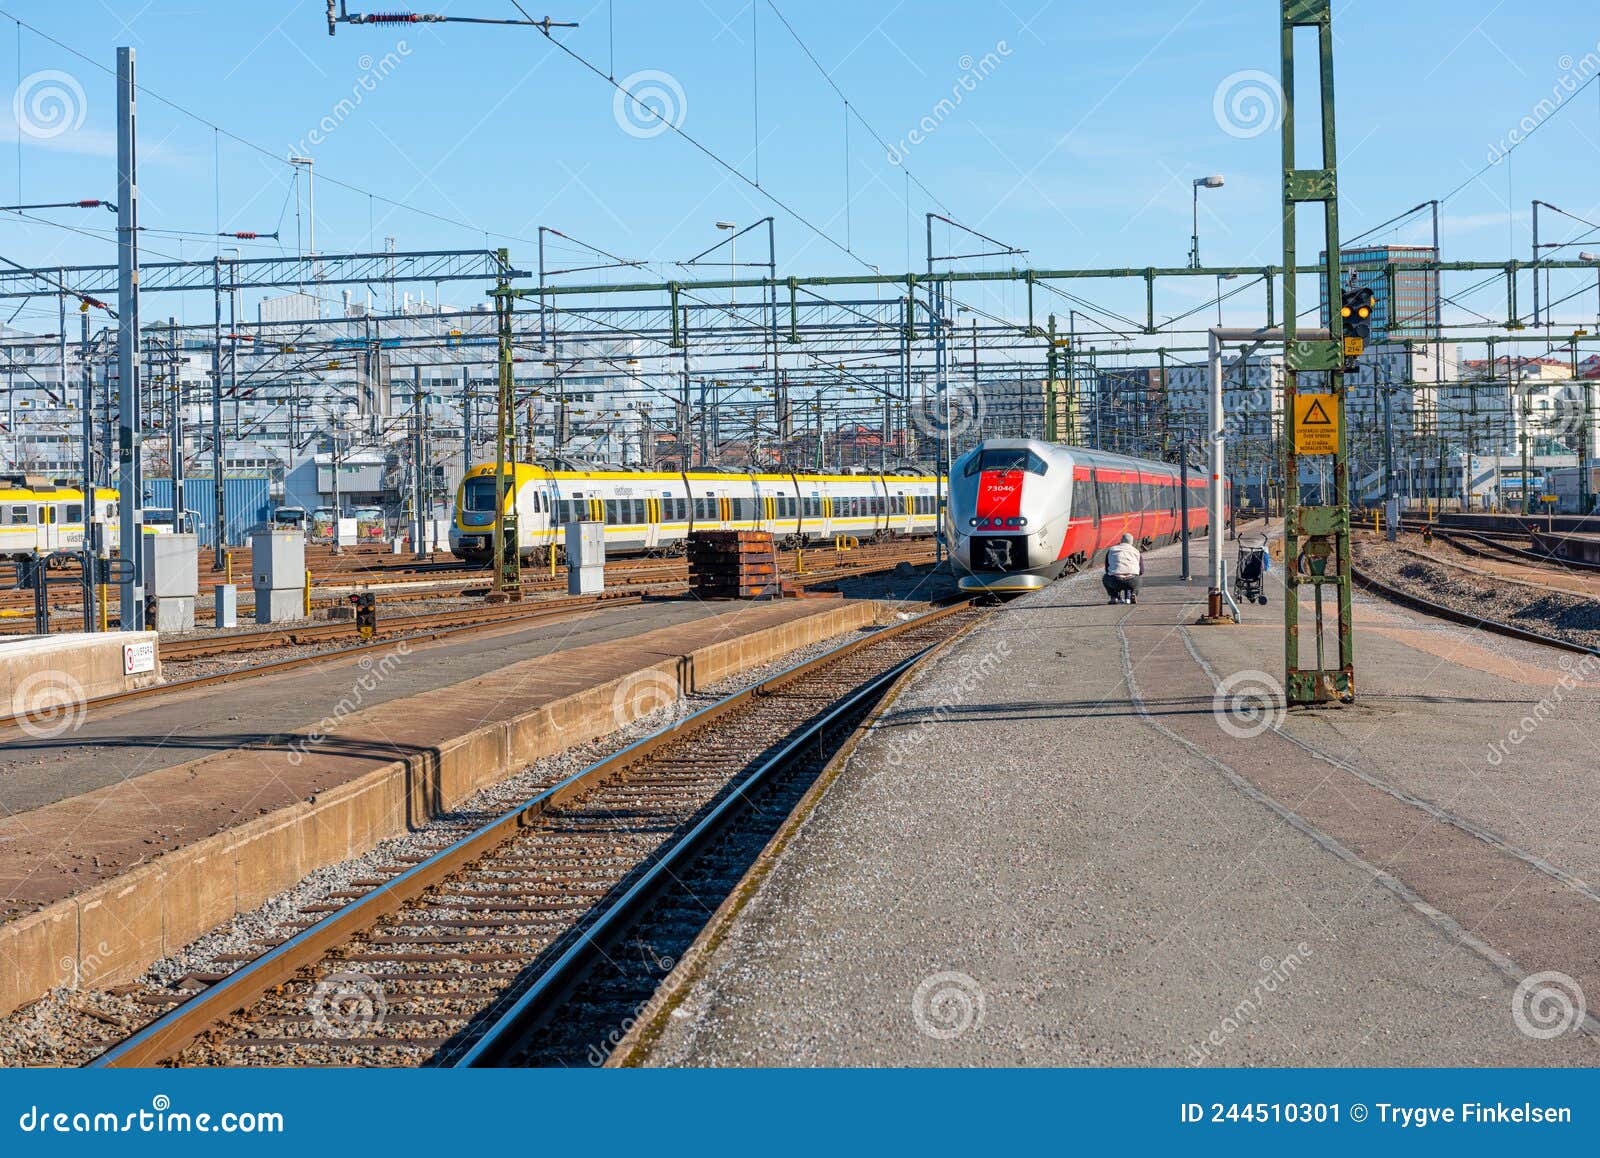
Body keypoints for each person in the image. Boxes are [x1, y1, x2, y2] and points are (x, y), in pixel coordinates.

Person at [1103, 532, 1144, 604]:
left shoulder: (1111, 550)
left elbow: (1107, 569)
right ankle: (1133, 594)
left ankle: (1114, 597)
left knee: (1105, 578)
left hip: (1115, 581)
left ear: (1121, 540)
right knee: (1139, 579)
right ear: (1131, 542)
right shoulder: (1136, 551)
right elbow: (1141, 571)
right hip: (1131, 581)